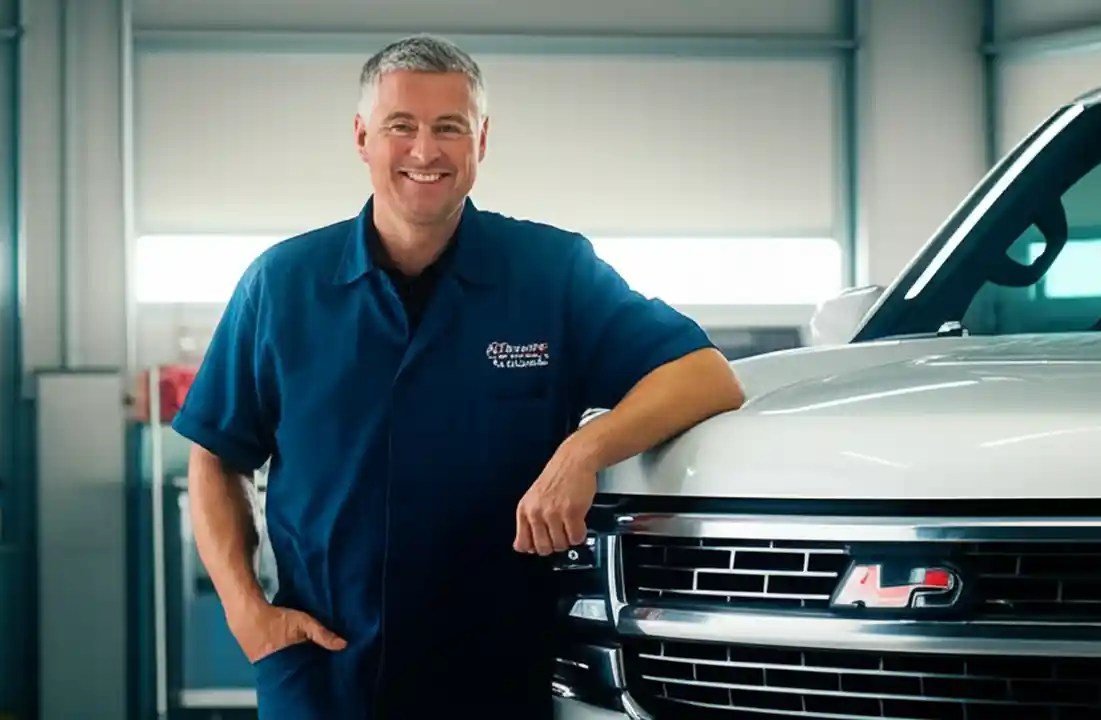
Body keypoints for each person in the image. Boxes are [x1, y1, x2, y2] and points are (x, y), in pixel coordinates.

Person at [173, 33, 745, 720]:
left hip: (495, 672)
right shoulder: (283, 284)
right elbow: (215, 457)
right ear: (362, 137)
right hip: (325, 671)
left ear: (481, 139)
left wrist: (584, 451)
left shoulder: (550, 271)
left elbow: (705, 375)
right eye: (400, 127)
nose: (425, 151)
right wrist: (246, 612)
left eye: (449, 128)